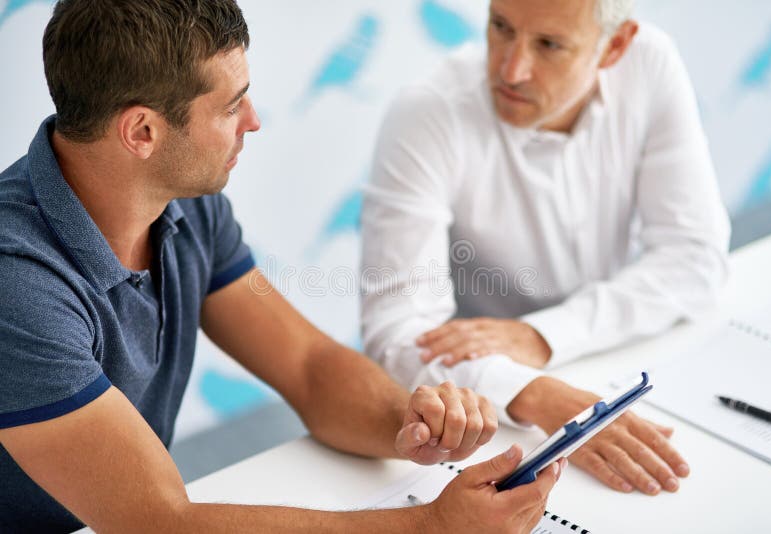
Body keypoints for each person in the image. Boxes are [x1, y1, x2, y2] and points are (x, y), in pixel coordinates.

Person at [0, 1, 566, 532]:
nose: (252, 120)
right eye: (229, 105)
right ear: (142, 132)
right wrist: (431, 525)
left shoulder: (185, 206)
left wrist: (412, 419)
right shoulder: (16, 284)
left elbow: (307, 364)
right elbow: (160, 520)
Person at [361, 0, 730, 497]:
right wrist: (533, 392)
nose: (511, 69)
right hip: (476, 394)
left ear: (614, 46)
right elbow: (398, 331)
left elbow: (696, 256)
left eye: (549, 45)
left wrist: (543, 335)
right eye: (501, 27)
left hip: (610, 357)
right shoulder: (427, 112)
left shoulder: (651, 63)